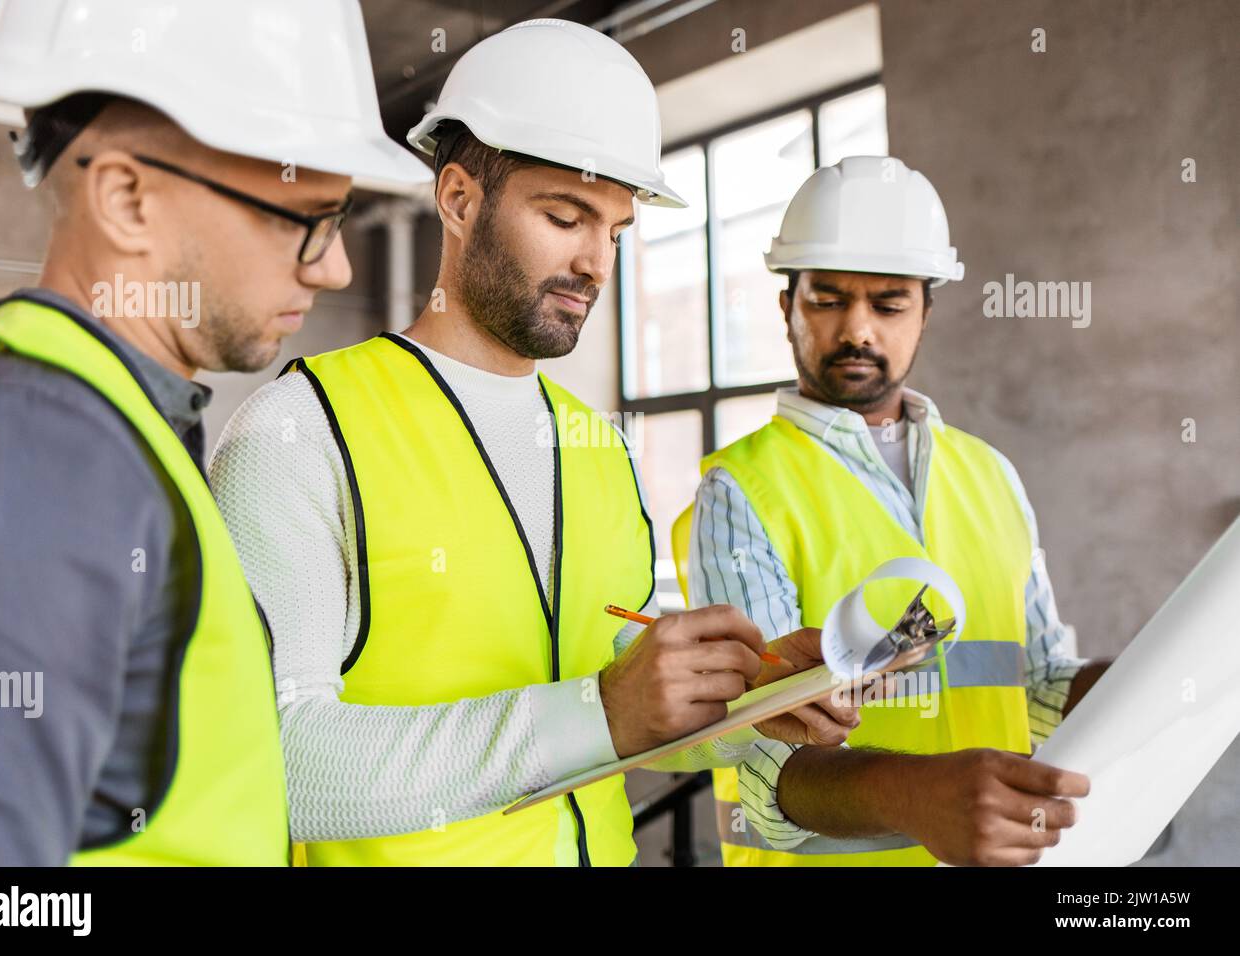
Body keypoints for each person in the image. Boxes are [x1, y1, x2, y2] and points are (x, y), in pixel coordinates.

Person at [210, 19, 857, 867]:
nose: (596, 262)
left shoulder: (596, 446)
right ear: (458, 199)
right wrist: (601, 710)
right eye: (565, 216)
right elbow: (281, 761)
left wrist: (736, 705)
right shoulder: (299, 430)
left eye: (616, 232)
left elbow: (609, 701)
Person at [0, 0, 430, 865]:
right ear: (128, 199)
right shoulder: (34, 450)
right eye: (302, 217)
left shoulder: (119, 426)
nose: (336, 265)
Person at [682, 156, 1110, 867]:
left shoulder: (990, 474)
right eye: (826, 299)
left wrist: (1172, 672)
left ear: (925, 312)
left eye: (887, 303)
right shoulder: (740, 491)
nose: (857, 329)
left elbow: (1035, 687)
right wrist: (914, 793)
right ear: (785, 306)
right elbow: (761, 749)